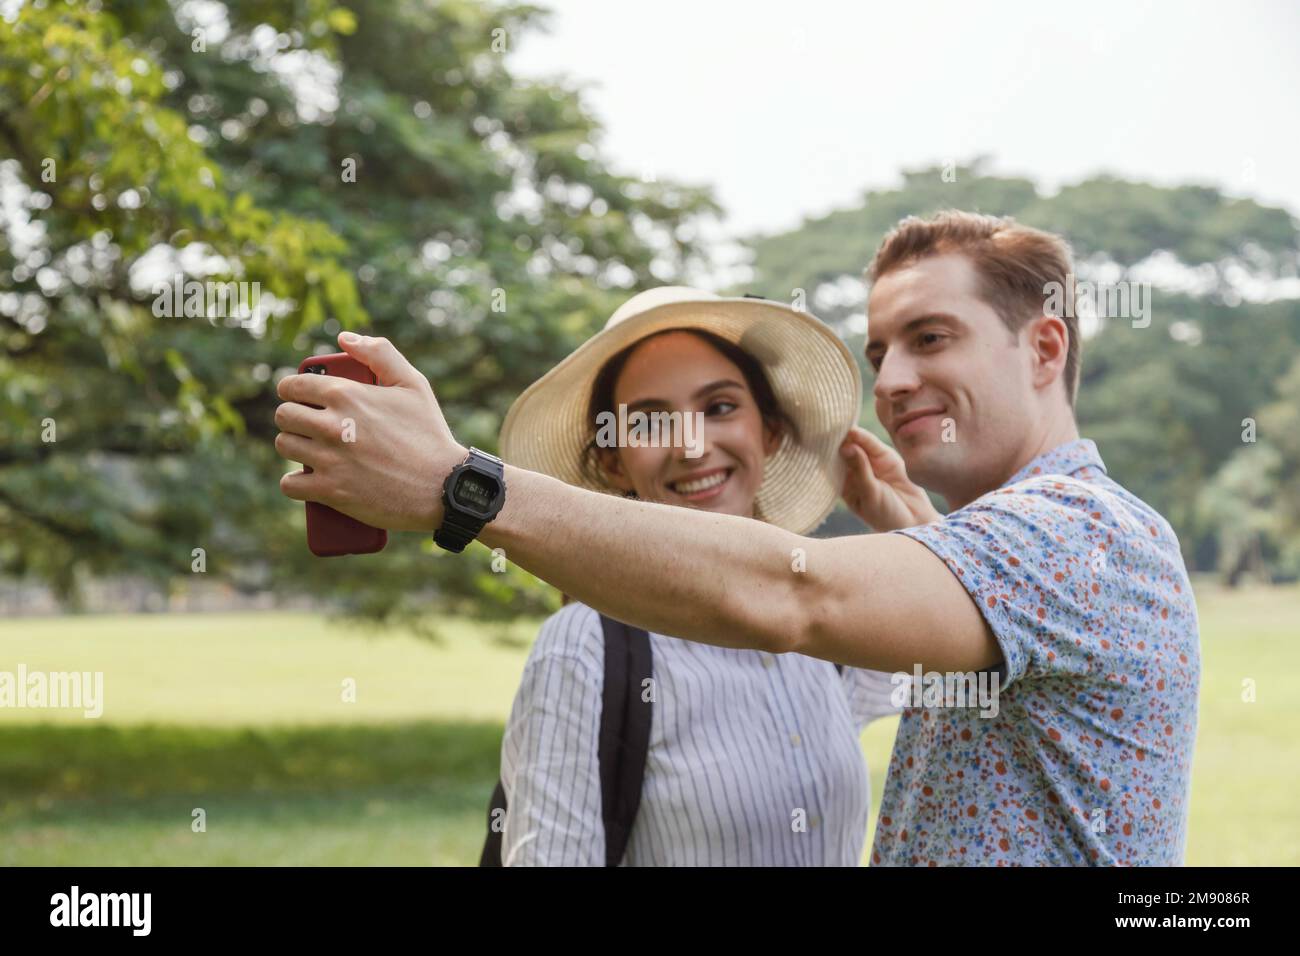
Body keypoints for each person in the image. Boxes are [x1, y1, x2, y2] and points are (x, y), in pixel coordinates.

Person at [274, 210, 1200, 866]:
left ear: (1044, 349)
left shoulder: (1078, 540)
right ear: (608, 459)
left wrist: (459, 490)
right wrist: (921, 535)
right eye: (881, 354)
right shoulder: (591, 647)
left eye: (932, 337)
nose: (894, 381)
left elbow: (794, 595)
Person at [490, 288, 901, 865]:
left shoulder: (821, 620)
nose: (691, 446)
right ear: (615, 461)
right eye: (652, 421)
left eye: (720, 408)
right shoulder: (586, 646)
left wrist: (907, 519)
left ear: (770, 432)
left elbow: (972, 674)